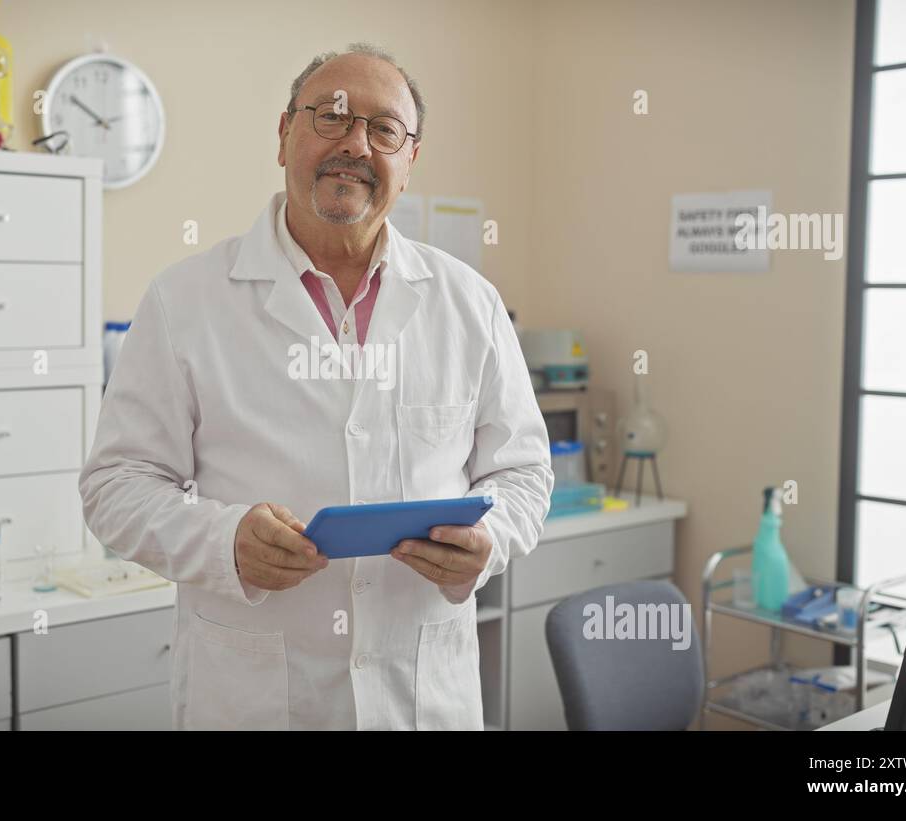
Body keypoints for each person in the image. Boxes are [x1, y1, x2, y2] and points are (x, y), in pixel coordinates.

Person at [79, 43, 553, 730]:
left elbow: (524, 472)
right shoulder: (186, 300)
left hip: (420, 694)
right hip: (254, 695)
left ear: (409, 159)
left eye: (383, 129)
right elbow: (115, 484)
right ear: (283, 136)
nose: (355, 143)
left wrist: (492, 544)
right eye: (330, 117)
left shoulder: (468, 303)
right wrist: (222, 540)